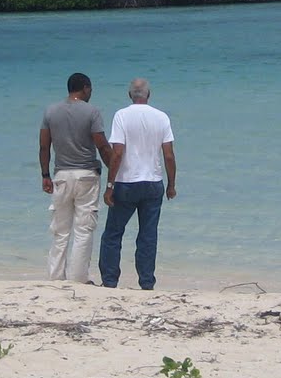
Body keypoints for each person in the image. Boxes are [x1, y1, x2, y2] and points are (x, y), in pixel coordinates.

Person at [99, 77, 177, 291]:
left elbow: (117, 153)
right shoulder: (161, 117)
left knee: (113, 233)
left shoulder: (122, 116)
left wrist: (109, 185)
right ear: (148, 95)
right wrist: (171, 184)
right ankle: (146, 282)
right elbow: (168, 156)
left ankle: (110, 280)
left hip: (126, 183)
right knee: (148, 235)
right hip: (152, 183)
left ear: (129, 95)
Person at [39, 73, 111, 282]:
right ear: (85, 88)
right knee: (83, 228)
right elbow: (102, 144)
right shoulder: (92, 112)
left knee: (60, 230)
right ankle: (78, 277)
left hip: (61, 175)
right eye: (90, 89)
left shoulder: (51, 111)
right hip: (86, 175)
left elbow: (44, 145)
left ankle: (55, 276)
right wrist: (114, 172)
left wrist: (45, 174)